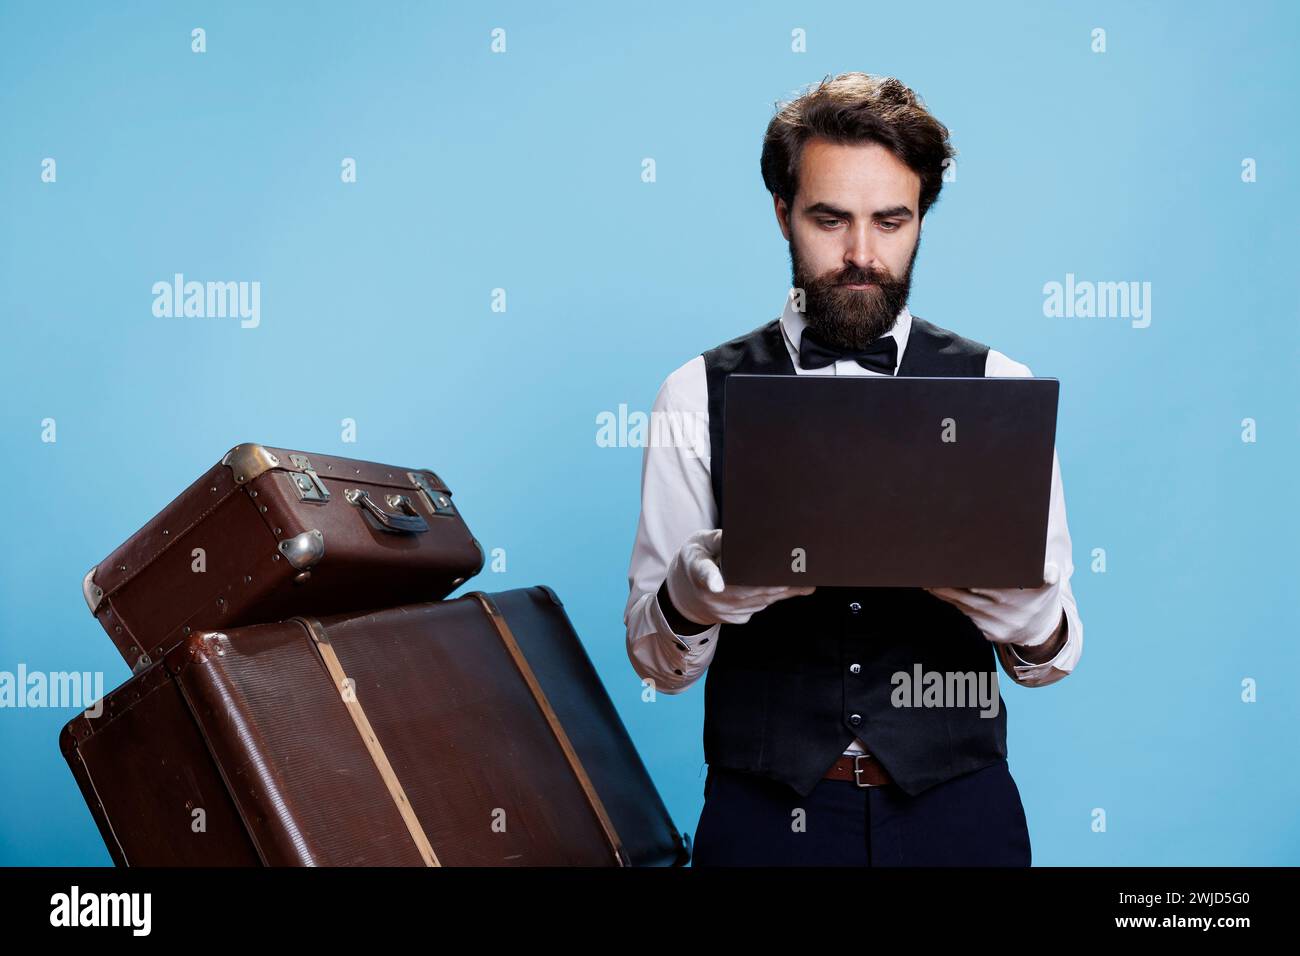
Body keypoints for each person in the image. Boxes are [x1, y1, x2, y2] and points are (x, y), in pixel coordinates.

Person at [623, 72, 1083, 866]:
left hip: (958, 812)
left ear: (921, 221)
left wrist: (1021, 611)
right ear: (781, 215)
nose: (862, 254)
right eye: (830, 220)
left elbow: (1051, 658)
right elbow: (657, 665)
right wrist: (697, 597)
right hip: (764, 819)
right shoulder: (694, 392)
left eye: (892, 221)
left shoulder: (1001, 389)